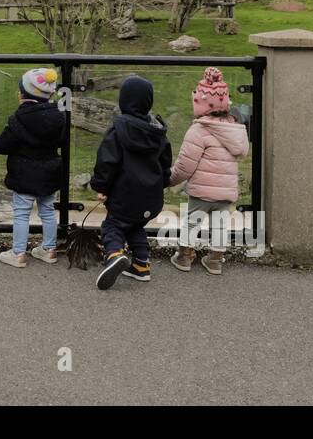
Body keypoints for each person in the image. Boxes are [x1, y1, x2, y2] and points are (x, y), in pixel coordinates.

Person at [89, 75, 172, 290]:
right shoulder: (158, 132)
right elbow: (165, 164)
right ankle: (141, 266)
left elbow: (107, 161)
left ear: (123, 100)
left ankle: (115, 254)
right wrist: (161, 184)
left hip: (125, 194)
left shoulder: (119, 130)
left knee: (112, 225)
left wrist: (100, 186)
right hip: (151, 198)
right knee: (136, 225)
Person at [168, 67, 249, 274]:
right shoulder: (236, 130)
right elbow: (241, 153)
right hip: (225, 192)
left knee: (191, 223)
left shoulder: (199, 130)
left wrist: (170, 180)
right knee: (220, 225)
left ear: (200, 103)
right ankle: (215, 260)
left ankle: (184, 257)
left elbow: (186, 165)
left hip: (201, 192)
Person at [0, 68, 66, 267]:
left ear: (22, 94)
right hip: (49, 172)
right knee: (47, 210)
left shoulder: (18, 119)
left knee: (22, 212)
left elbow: (4, 144)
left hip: (25, 173)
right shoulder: (59, 116)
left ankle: (18, 253)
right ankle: (49, 249)